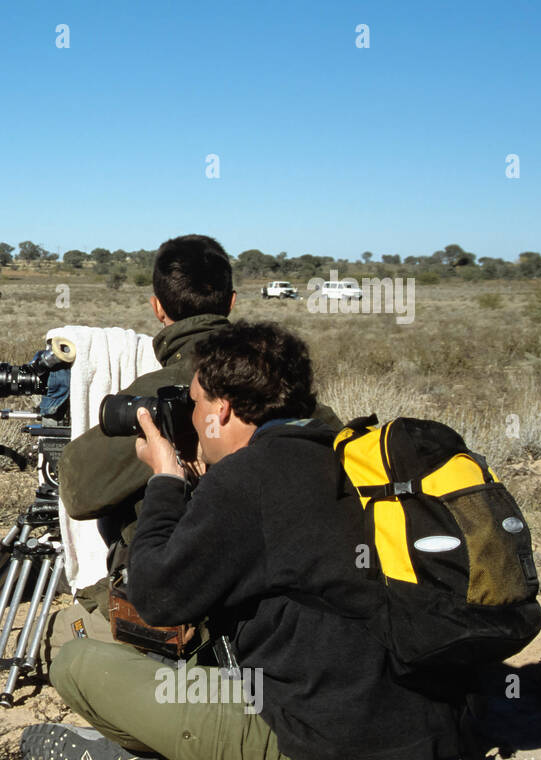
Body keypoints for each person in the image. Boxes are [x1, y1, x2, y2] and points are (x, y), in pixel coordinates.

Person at [24, 322, 463, 760]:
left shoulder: (249, 478)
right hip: (428, 735)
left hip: (328, 757)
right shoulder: (346, 455)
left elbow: (156, 599)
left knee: (79, 663)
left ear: (223, 409)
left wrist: (166, 481)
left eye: (195, 403)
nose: (189, 417)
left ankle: (158, 757)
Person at [54, 234, 337, 640]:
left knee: (65, 642)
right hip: (290, 607)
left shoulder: (166, 388)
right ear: (232, 302)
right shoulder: (281, 383)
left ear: (157, 307)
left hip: (183, 606)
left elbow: (78, 489)